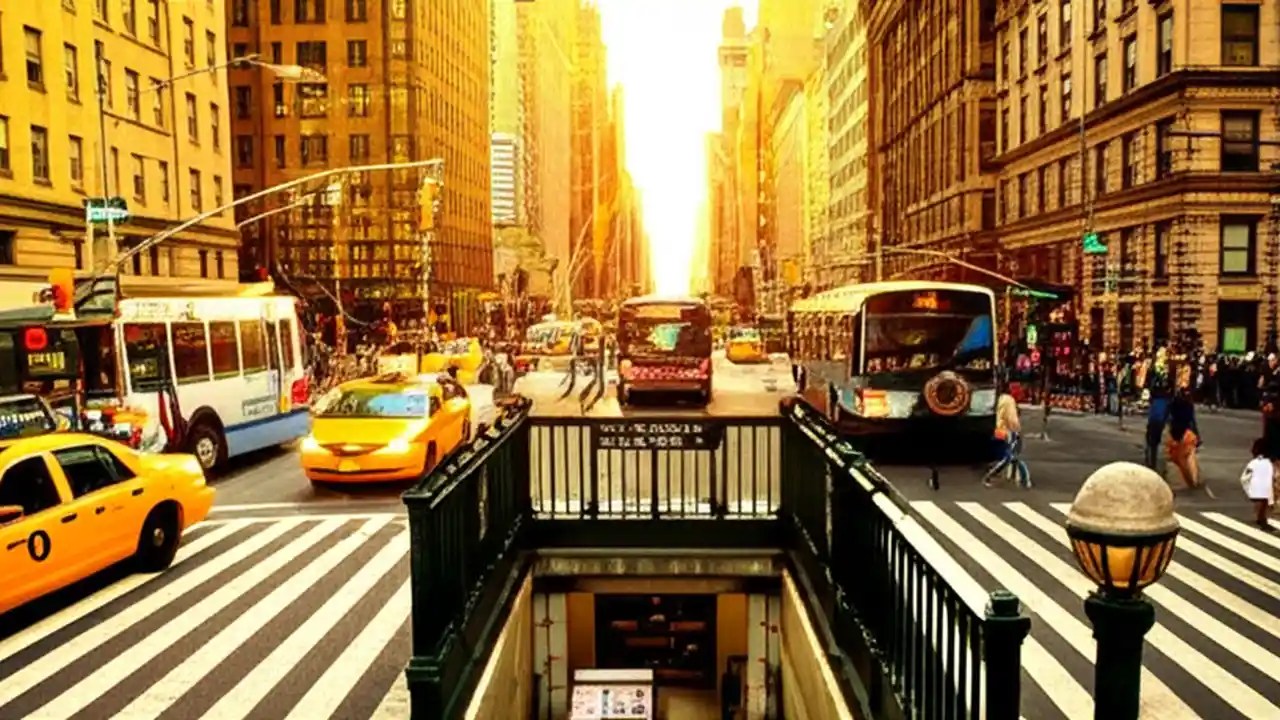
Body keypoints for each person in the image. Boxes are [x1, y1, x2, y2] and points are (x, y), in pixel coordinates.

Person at [984, 384, 1029, 488]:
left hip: (1001, 430)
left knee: (1009, 456)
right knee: (1010, 457)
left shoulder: (1001, 399)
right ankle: (990, 476)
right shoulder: (1009, 401)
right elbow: (1011, 418)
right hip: (1009, 431)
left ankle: (1019, 479)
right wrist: (1017, 430)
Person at [1166, 386, 1206, 493]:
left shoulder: (1173, 405)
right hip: (1187, 434)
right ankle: (1194, 480)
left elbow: (1169, 419)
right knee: (1190, 458)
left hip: (1174, 434)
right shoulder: (1189, 406)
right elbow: (1192, 422)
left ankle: (1189, 480)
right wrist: (1198, 436)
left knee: (1180, 460)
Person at [1241, 438, 1275, 530]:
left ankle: (1261, 519)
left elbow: (1244, 477)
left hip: (1258, 489)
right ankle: (1262, 520)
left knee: (1262, 504)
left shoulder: (1254, 463)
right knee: (1263, 504)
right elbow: (1270, 480)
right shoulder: (1268, 464)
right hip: (1264, 490)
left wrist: (1248, 488)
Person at [1144, 386, 1170, 470]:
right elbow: (1167, 415)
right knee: (1155, 444)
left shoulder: (1154, 401)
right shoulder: (1166, 402)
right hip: (1159, 424)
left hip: (1152, 423)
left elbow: (1151, 413)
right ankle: (1153, 462)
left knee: (1150, 441)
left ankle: (1149, 459)